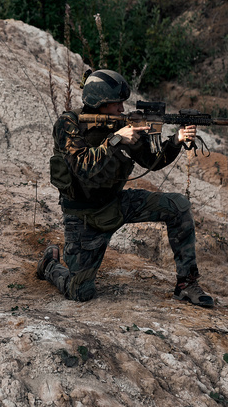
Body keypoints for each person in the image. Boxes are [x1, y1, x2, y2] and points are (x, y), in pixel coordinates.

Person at [38, 69, 214, 307]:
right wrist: (116, 140)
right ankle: (50, 264)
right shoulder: (68, 124)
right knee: (80, 292)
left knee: (178, 206)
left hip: (116, 203)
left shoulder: (126, 126)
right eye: (115, 104)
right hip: (84, 216)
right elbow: (83, 167)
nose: (122, 109)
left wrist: (176, 141)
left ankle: (187, 283)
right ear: (99, 104)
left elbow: (153, 162)